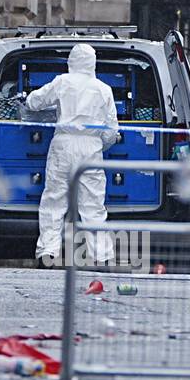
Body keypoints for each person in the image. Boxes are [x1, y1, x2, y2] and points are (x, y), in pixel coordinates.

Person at [25, 43, 120, 268]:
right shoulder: (104, 89)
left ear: (71, 61)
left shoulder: (62, 82)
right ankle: (102, 256)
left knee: (54, 199)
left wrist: (27, 100)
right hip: (91, 147)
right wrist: (100, 145)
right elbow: (112, 129)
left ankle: (48, 253)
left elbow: (35, 101)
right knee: (93, 204)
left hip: (63, 143)